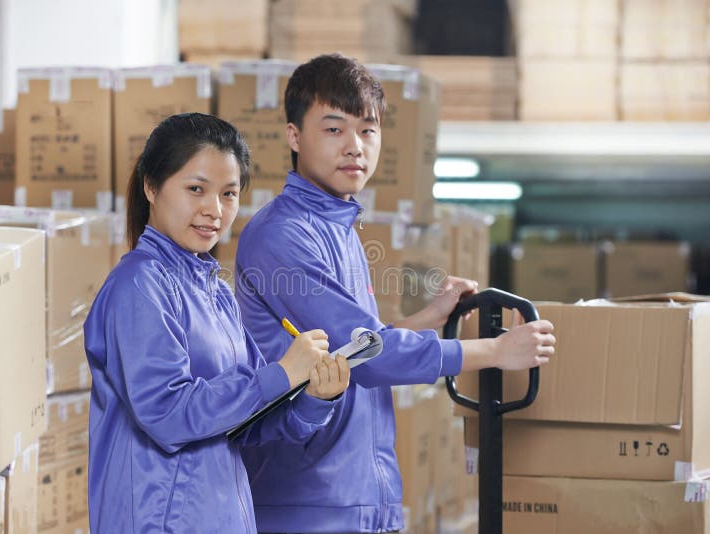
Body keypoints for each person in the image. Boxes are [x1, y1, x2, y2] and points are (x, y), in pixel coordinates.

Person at [234, 54, 556, 533]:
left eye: (368, 130)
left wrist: (430, 316)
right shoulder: (284, 235)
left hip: (357, 495)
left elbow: (356, 348)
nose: (355, 147)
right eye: (334, 129)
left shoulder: (338, 227)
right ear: (294, 136)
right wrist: (494, 351)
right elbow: (374, 361)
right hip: (310, 502)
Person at [83, 113, 351, 533]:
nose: (214, 210)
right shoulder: (139, 285)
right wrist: (280, 373)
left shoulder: (216, 293)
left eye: (229, 194)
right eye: (196, 190)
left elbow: (247, 421)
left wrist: (315, 396)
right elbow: (167, 413)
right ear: (151, 187)